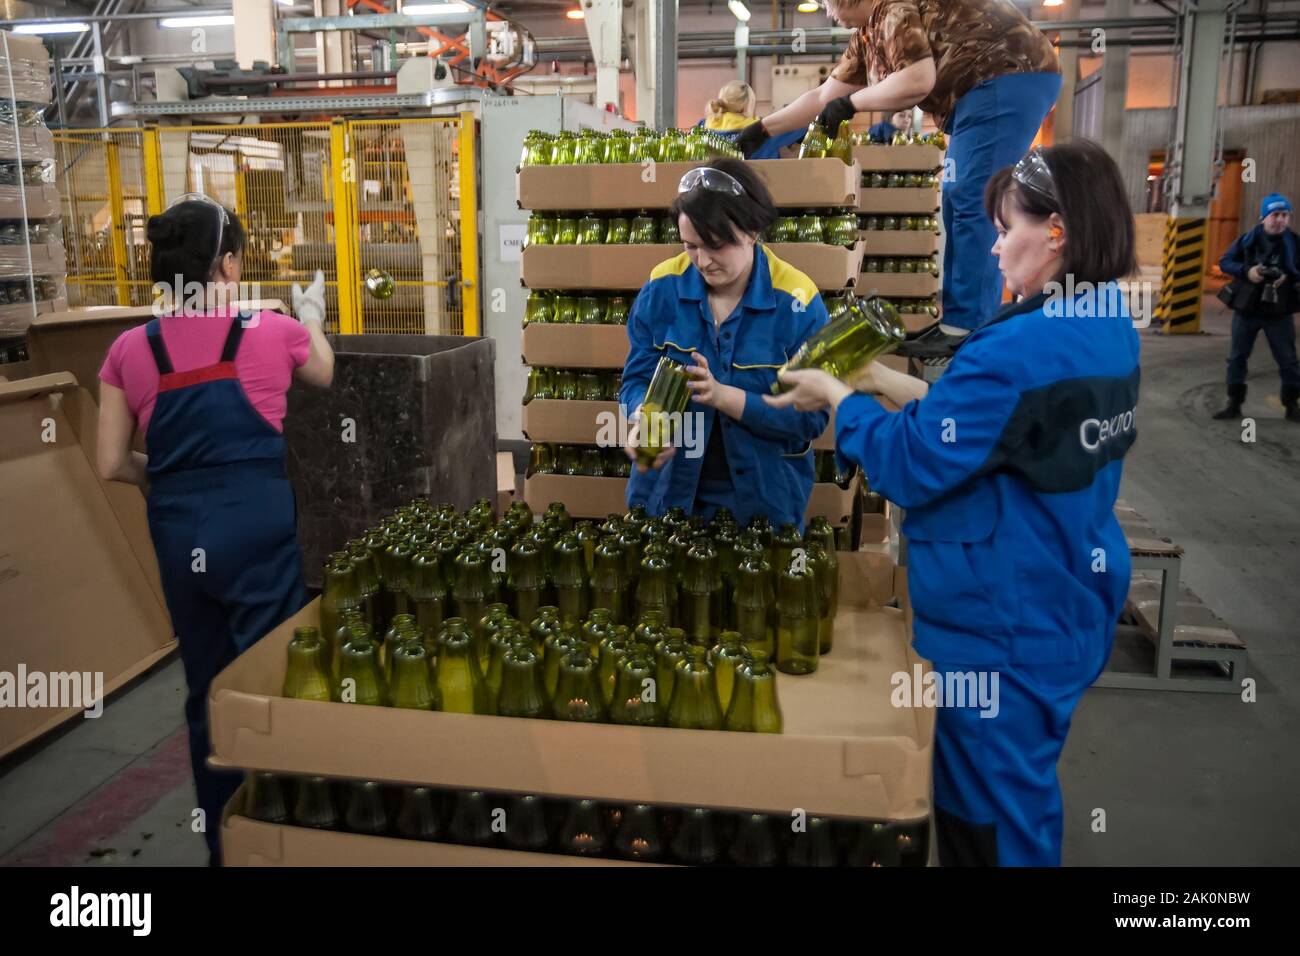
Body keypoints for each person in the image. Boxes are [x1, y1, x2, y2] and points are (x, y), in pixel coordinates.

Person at [767, 141, 1140, 866]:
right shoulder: (1102, 322)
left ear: (1057, 230)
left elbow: (912, 464)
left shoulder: (1018, 349)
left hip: (1004, 627)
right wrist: (880, 379)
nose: (995, 248)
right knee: (1022, 791)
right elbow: (995, 429)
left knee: (990, 822)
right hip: (1069, 597)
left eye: (1007, 229)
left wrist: (838, 400)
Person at [97, 195, 334, 865]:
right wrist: (310, 314)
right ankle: (287, 829)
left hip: (179, 531)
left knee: (209, 690)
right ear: (227, 265)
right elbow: (324, 369)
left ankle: (226, 842)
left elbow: (111, 462)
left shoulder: (129, 349)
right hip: (254, 524)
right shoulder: (269, 328)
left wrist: (166, 480)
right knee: (272, 680)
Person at [736, 0, 1061, 339]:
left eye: (829, 3)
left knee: (970, 197)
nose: (829, 13)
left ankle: (966, 327)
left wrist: (851, 104)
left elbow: (918, 79)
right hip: (990, 86)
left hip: (1007, 73)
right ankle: (961, 322)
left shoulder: (893, 9)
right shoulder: (867, 35)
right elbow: (821, 96)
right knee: (957, 198)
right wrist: (762, 129)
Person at [621, 159, 830, 528]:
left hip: (764, 506)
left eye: (716, 246)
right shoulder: (662, 288)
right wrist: (640, 418)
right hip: (667, 497)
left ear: (751, 230)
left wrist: (726, 398)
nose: (702, 260)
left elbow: (811, 417)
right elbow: (636, 379)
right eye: (690, 246)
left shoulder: (796, 301)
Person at [1211, 192, 1299, 423]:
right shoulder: (1247, 240)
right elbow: (1225, 261)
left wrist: (1288, 277)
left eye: (1284, 215)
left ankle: (1291, 405)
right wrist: (1247, 272)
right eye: (1274, 215)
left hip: (1279, 313)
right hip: (1247, 310)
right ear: (1263, 217)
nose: (1279, 220)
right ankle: (1234, 404)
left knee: (1288, 360)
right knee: (1237, 358)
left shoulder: (1294, 242)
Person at [698, 80, 806, 160]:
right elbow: (802, 123)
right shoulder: (764, 130)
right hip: (758, 187)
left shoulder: (702, 128)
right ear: (747, 105)